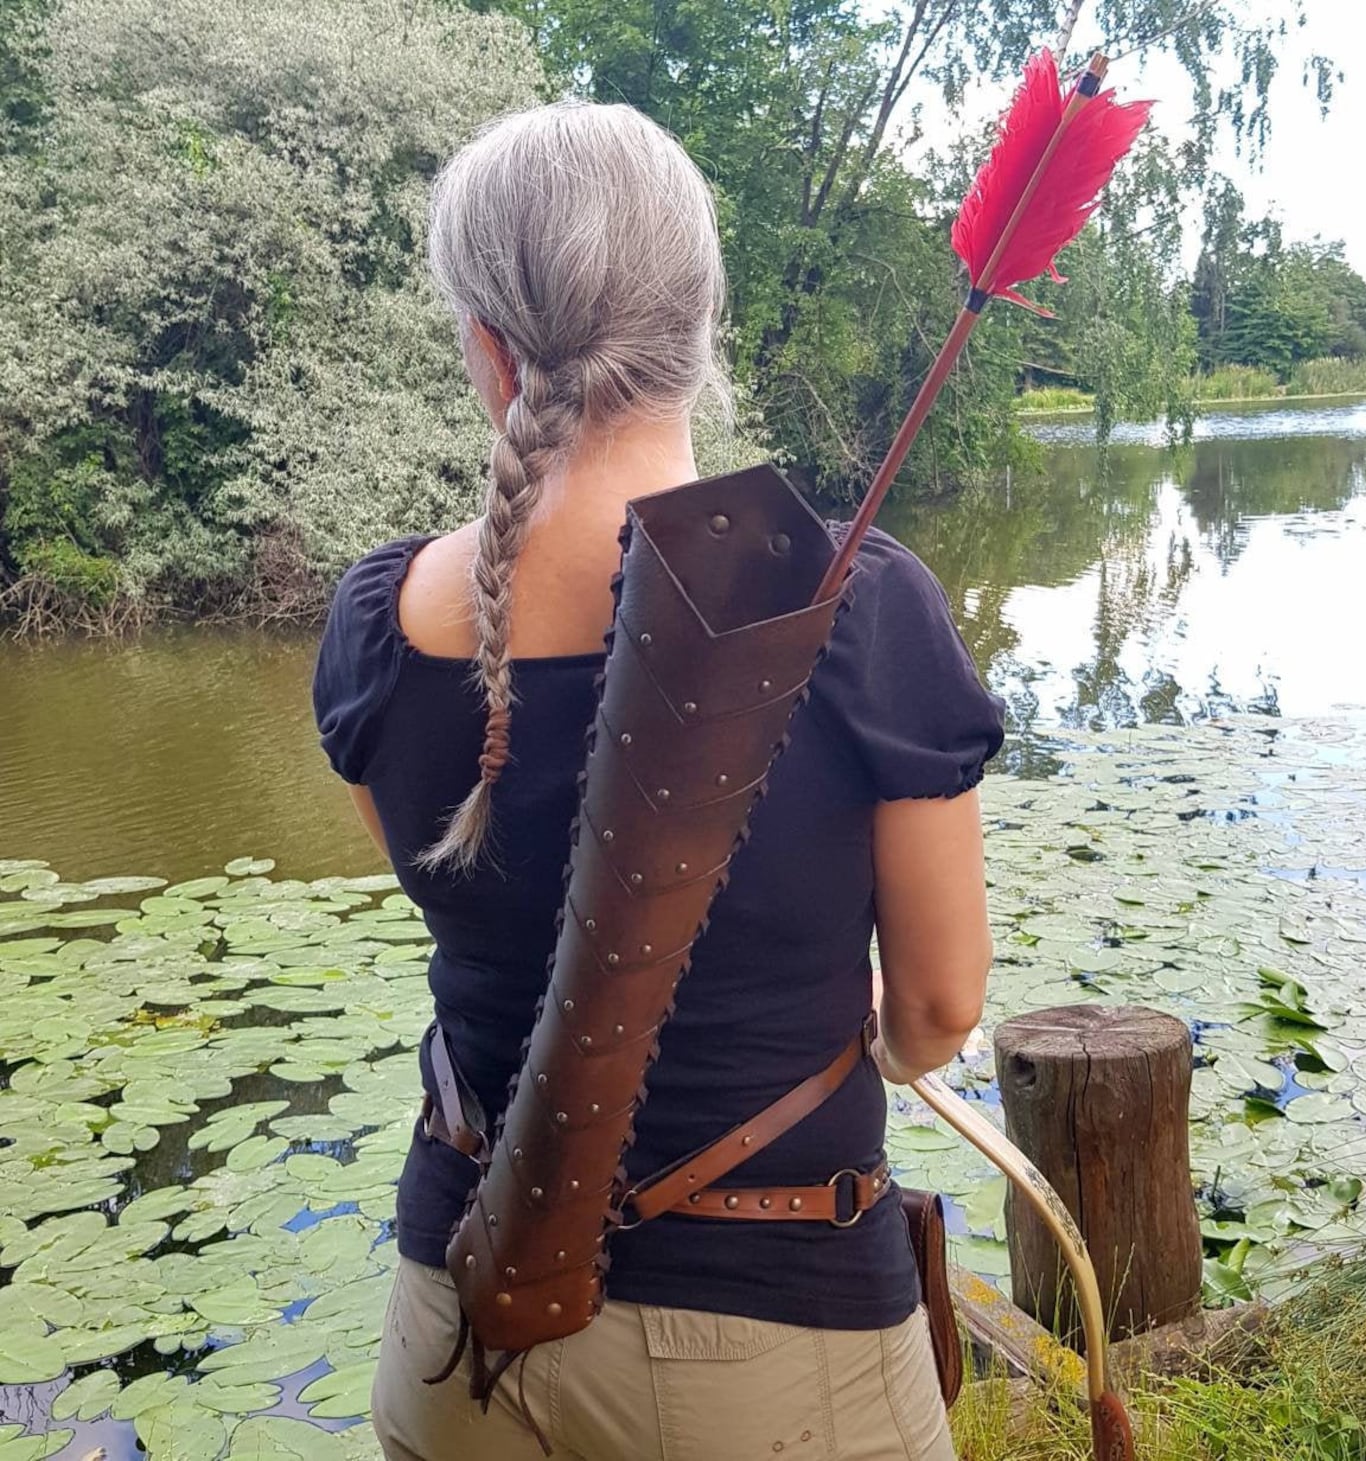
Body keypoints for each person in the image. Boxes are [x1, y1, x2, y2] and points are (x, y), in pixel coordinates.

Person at [311, 99, 1005, 1461]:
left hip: (458, 1325)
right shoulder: (853, 601)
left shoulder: (377, 623)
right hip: (776, 1360)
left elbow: (459, 899)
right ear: (701, 325)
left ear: (488, 347)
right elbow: (937, 1004)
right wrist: (871, 1039)